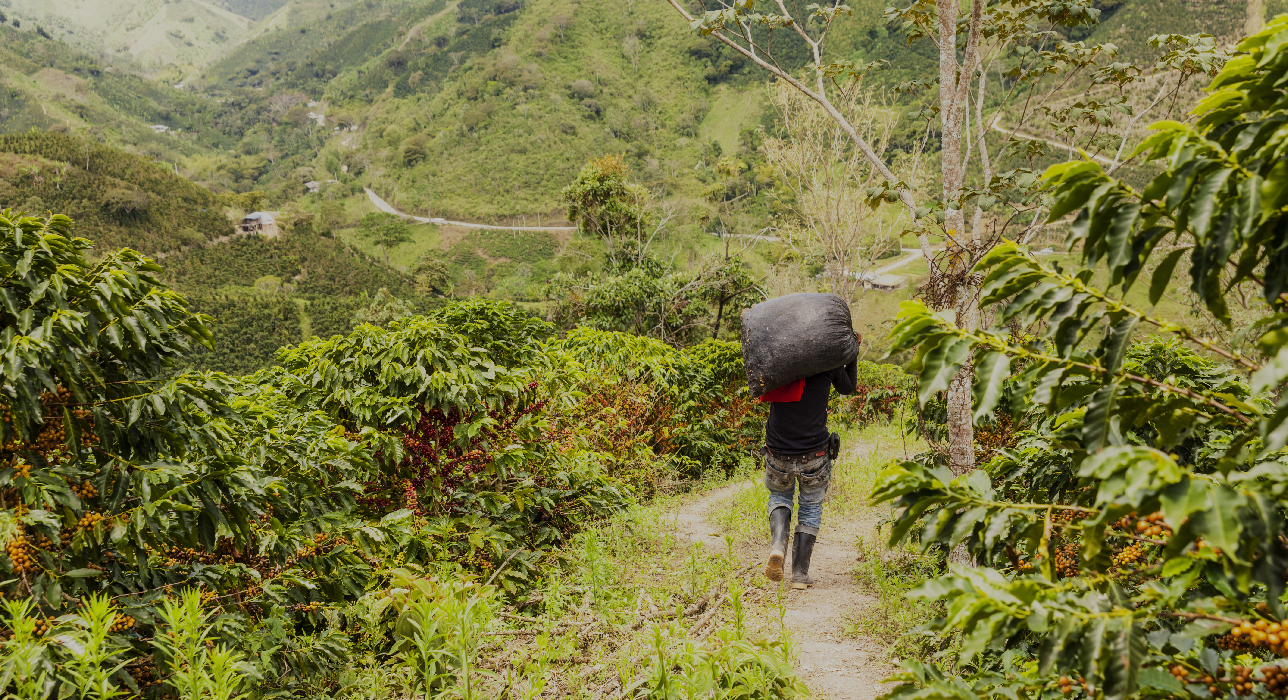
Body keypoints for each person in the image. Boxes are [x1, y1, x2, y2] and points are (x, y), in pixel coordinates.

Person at [760, 355, 857, 589]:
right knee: (811, 506)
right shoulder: (827, 360)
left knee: (780, 497)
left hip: (777, 452)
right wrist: (850, 353)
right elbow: (849, 387)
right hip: (814, 455)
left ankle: (777, 547)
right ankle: (800, 575)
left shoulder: (779, 359)